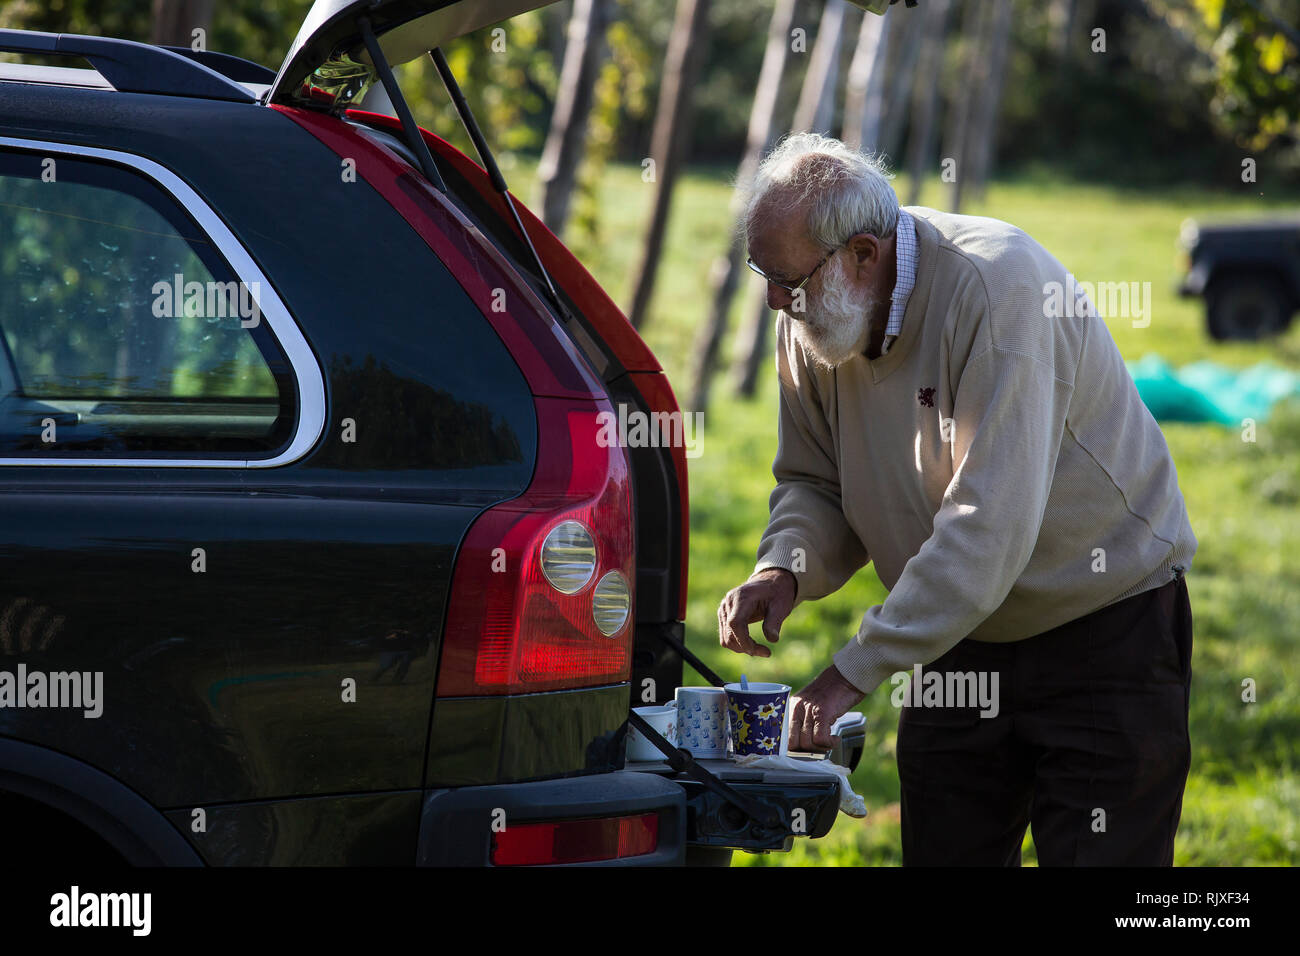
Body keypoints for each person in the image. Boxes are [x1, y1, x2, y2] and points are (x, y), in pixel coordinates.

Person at [716, 132, 1197, 866]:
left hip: (1105, 626)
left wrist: (848, 675)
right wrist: (784, 566)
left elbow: (986, 531)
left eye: (792, 281)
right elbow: (817, 481)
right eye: (765, 276)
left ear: (866, 256)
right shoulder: (810, 318)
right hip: (952, 627)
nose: (778, 302)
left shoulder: (998, 292)